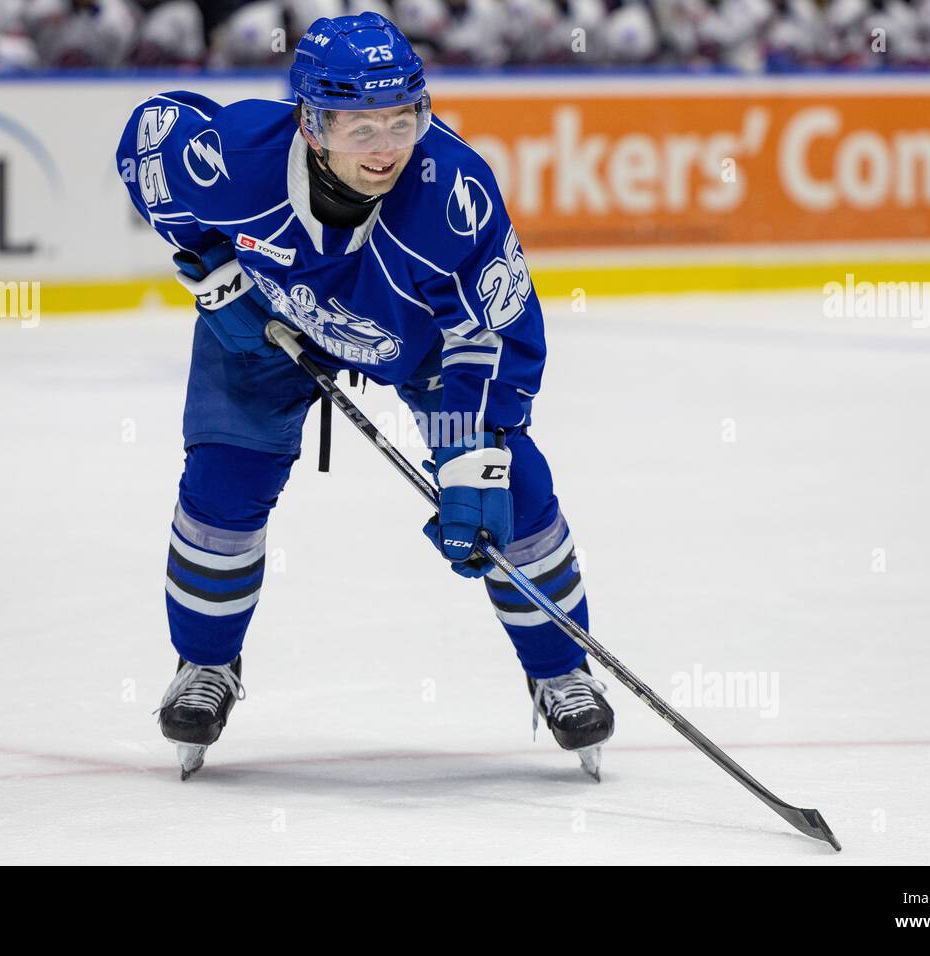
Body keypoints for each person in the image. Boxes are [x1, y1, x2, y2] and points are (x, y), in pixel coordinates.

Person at [116, 12, 613, 780]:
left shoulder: (453, 193)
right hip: (268, 325)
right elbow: (147, 143)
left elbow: (501, 327)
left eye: (403, 120)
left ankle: (561, 670)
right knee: (222, 484)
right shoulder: (236, 161)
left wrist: (474, 449)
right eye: (359, 129)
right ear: (311, 124)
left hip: (422, 349)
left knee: (512, 490)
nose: (385, 149)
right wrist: (213, 267)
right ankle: (205, 665)